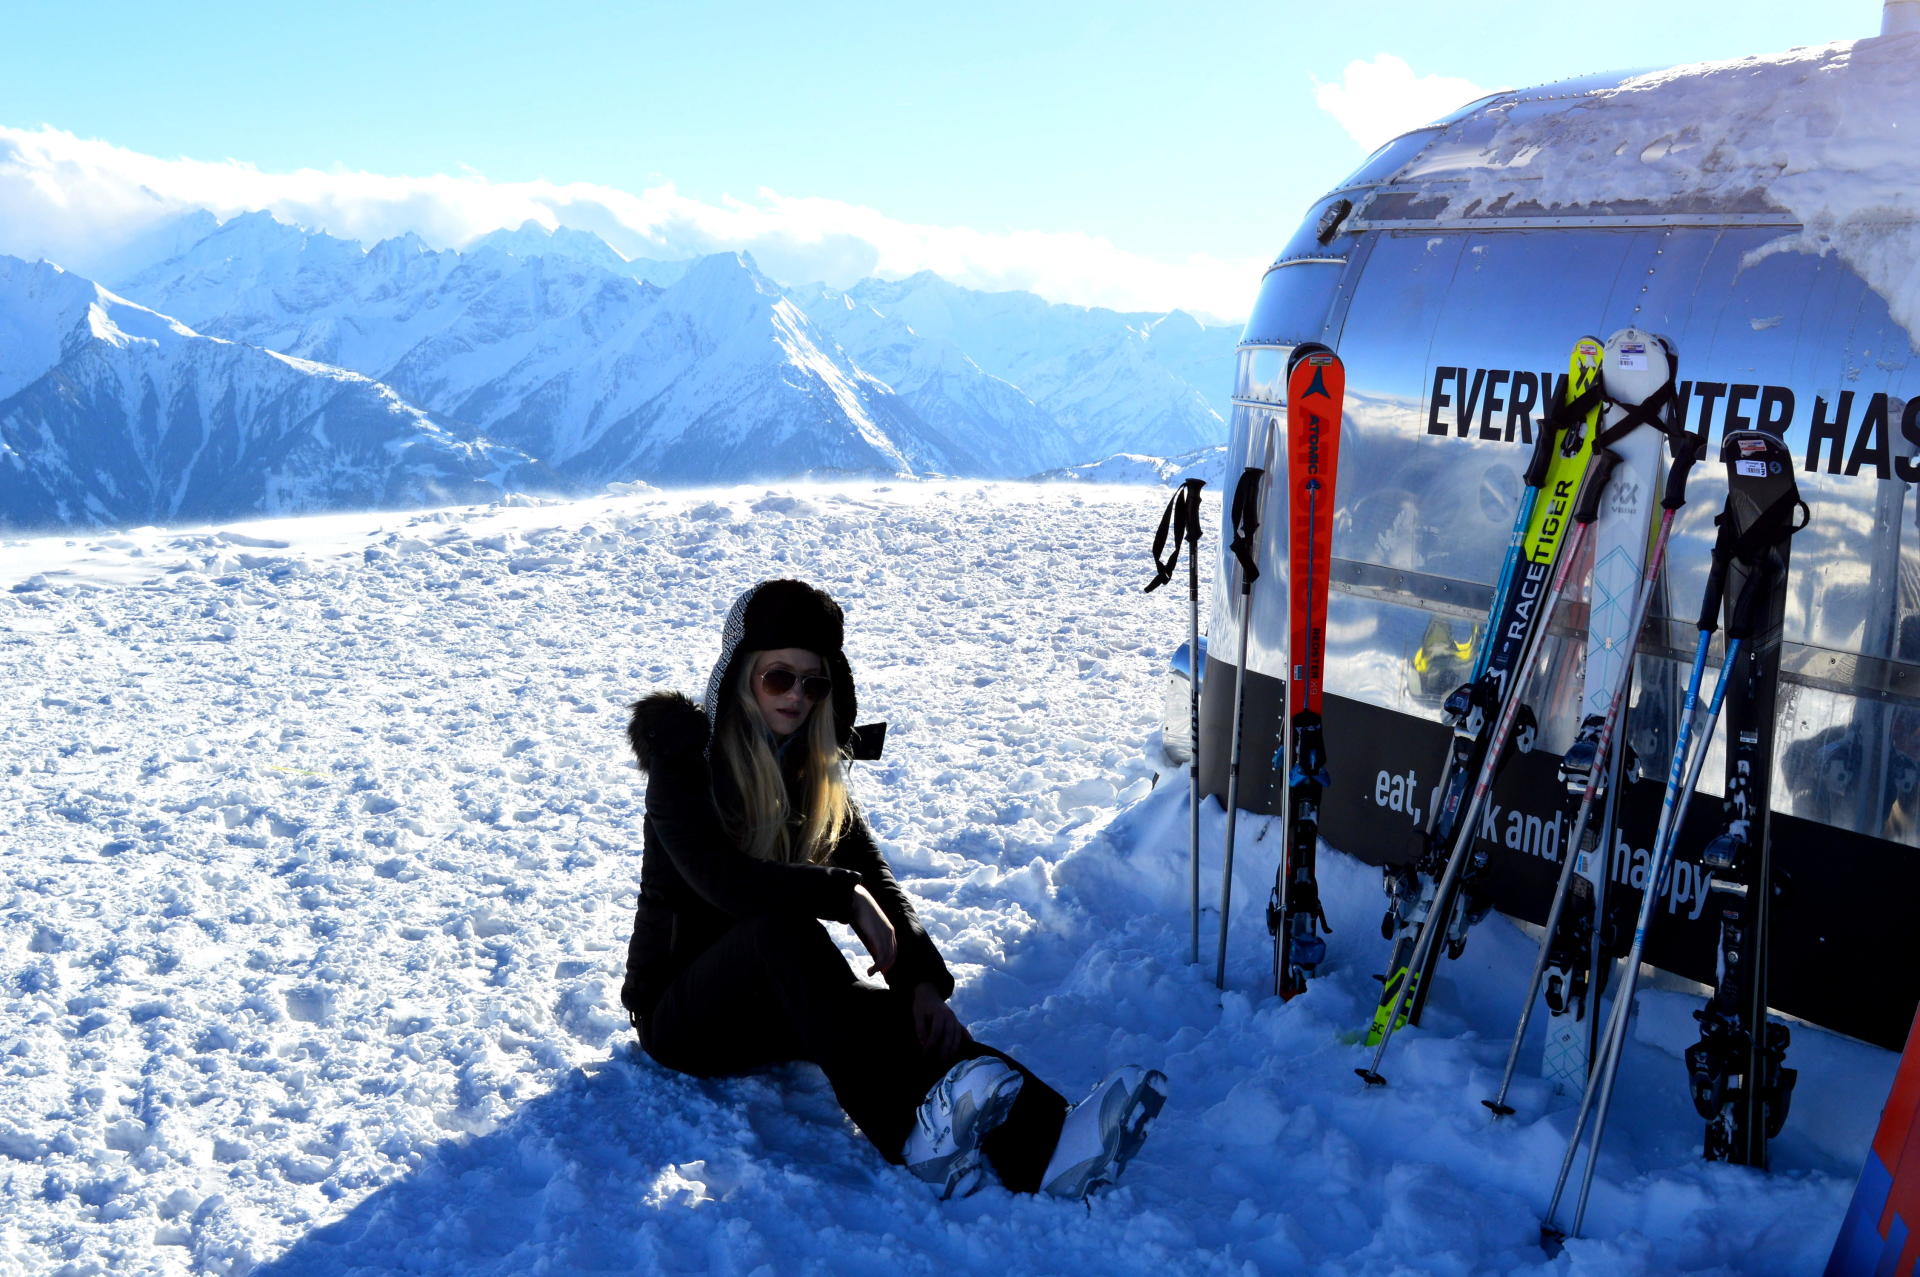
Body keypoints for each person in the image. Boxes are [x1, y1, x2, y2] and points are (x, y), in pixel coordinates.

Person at [621, 578, 1166, 1199]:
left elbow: (877, 878)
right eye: (779, 677)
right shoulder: (685, 766)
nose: (797, 696)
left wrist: (920, 983)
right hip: (681, 1019)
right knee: (780, 927)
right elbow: (726, 885)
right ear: (741, 673)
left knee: (907, 1024)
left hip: (773, 1001)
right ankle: (910, 1135)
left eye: (814, 681)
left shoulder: (808, 767)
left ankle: (1054, 1147)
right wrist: (845, 898)